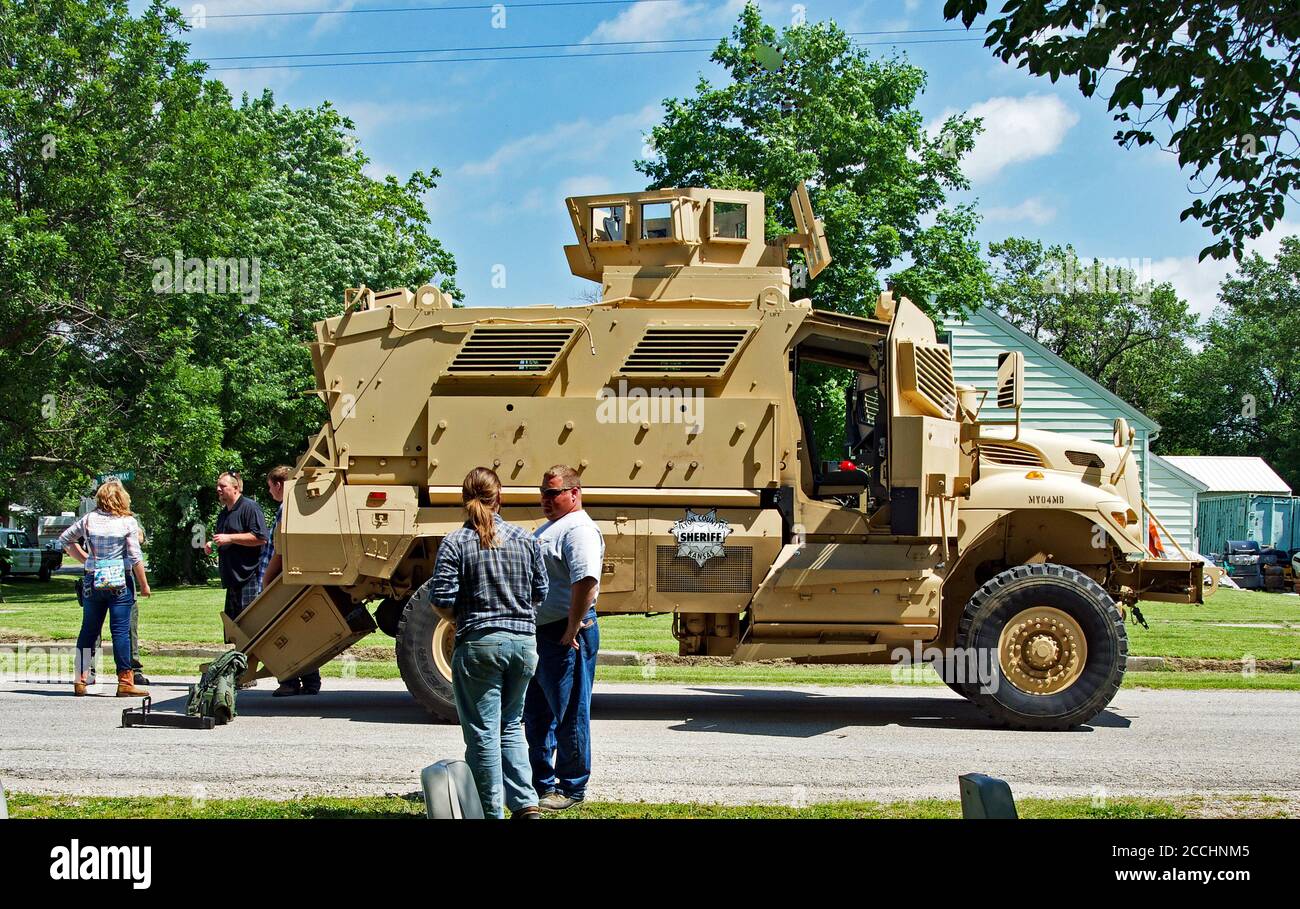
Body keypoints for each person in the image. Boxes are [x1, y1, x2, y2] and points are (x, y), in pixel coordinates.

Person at [426, 467, 548, 819]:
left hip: (479, 643)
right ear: (501, 498)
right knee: (511, 725)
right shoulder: (526, 538)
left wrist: (459, 619)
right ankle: (526, 804)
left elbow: (441, 597)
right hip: (524, 644)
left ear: (464, 500)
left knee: (483, 733)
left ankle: (490, 811)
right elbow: (540, 591)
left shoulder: (455, 542)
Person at [524, 464, 602, 812]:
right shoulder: (552, 527)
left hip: (565, 632)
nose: (546, 499)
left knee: (570, 711)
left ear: (575, 492)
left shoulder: (579, 530)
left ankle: (571, 787)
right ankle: (541, 783)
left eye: (553, 493)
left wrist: (572, 628)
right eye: (543, 493)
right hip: (543, 632)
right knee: (537, 712)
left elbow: (585, 581)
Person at [58, 478, 152, 697]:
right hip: (119, 580)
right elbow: (135, 556)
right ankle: (125, 681)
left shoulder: (89, 519)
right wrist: (144, 585)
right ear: (121, 499)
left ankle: (80, 679)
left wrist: (86, 560)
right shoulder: (127, 522)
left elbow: (65, 539)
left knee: (88, 630)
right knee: (120, 632)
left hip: (93, 578)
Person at [258, 465, 320, 697]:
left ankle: (289, 681)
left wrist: (267, 579)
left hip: (281, 577)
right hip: (294, 574)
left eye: (270, 486)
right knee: (302, 631)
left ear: (279, 484)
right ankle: (311, 681)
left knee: (282, 632)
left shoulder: (286, 509)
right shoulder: (301, 508)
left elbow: (280, 550)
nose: (270, 492)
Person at [205, 470, 268, 622]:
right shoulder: (223, 514)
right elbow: (224, 540)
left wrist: (230, 538)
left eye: (222, 486)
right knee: (236, 625)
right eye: (217, 486)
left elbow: (260, 537)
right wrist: (212, 544)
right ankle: (239, 646)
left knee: (251, 623)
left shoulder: (250, 507)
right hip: (233, 578)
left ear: (236, 488)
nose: (218, 489)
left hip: (250, 576)